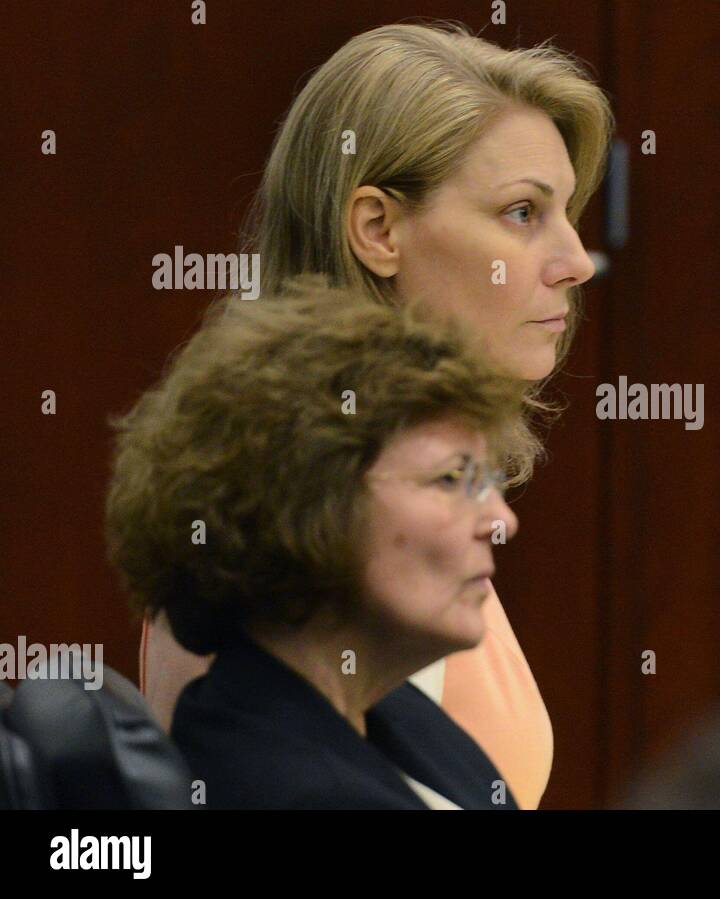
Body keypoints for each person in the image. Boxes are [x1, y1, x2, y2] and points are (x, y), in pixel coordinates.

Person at [138, 21, 614, 808]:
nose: (573, 261)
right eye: (523, 213)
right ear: (378, 229)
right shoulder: (313, 517)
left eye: (567, 212)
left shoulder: (396, 493)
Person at [108, 278, 529, 809]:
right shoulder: (277, 785)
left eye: (486, 481)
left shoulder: (396, 718)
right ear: (308, 504)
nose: (501, 520)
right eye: (450, 480)